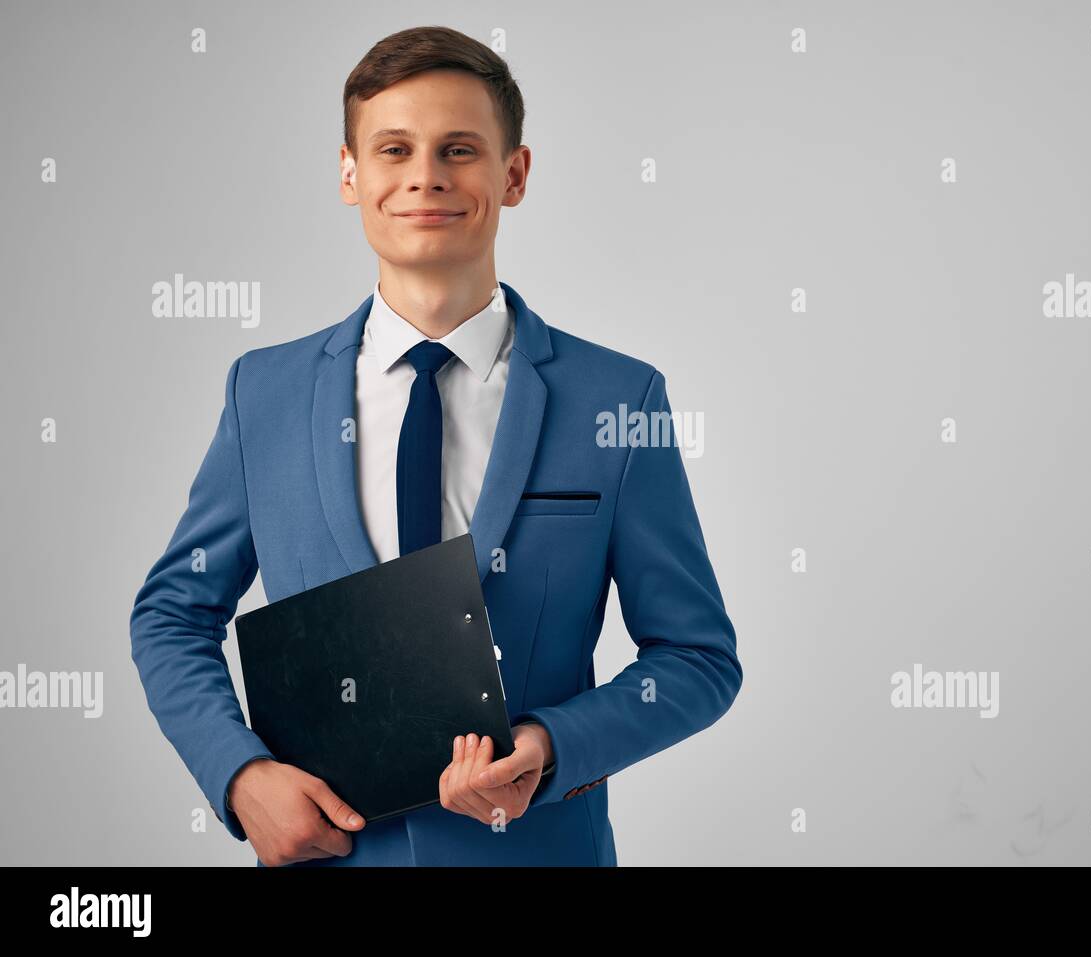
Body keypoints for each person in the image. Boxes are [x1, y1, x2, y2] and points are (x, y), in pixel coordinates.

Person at [129, 25, 741, 867]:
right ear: (350, 173)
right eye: (393, 149)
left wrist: (554, 743)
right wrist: (239, 775)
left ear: (513, 174)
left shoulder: (620, 399)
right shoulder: (262, 393)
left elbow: (698, 657)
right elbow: (171, 613)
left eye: (459, 149)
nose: (425, 176)